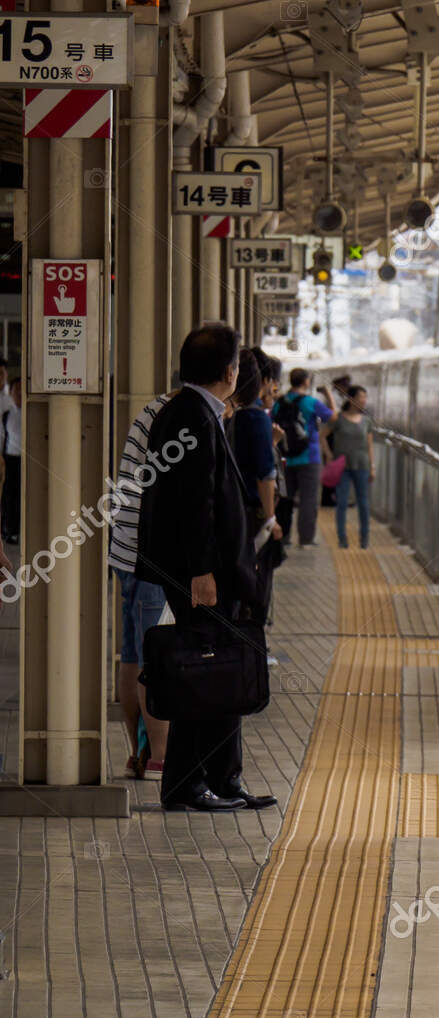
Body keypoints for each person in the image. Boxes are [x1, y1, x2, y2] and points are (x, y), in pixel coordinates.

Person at [137, 323, 276, 814]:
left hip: (215, 569)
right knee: (205, 671)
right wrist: (201, 571)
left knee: (223, 666)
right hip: (202, 572)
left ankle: (223, 776)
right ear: (229, 370)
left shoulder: (195, 410)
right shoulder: (190, 415)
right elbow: (193, 502)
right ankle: (187, 784)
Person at [108, 378, 181, 780]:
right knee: (153, 654)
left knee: (133, 652)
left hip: (127, 546)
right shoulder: (176, 418)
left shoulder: (153, 410)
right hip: (149, 553)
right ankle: (159, 756)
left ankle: (138, 752)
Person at [230, 347, 284, 617]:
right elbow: (265, 475)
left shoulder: (229, 415)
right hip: (251, 515)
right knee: (253, 586)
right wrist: (271, 519)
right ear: (264, 382)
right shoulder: (255, 418)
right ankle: (249, 651)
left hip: (231, 513)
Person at [273, 368, 330, 547]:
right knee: (308, 499)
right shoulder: (311, 402)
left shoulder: (279, 402)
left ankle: (284, 537)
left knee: (285, 499)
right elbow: (333, 417)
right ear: (306, 382)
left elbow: (272, 423)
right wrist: (328, 394)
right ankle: (306, 539)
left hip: (285, 458)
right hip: (309, 457)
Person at [330, 386, 375, 549]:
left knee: (363, 503)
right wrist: (329, 455)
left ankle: (364, 538)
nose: (364, 400)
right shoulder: (338, 419)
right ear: (351, 399)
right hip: (342, 466)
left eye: (365, 397)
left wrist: (372, 467)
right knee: (342, 502)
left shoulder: (366, 421)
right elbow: (322, 436)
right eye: (361, 397)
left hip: (362, 465)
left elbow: (370, 445)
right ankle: (342, 539)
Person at [1, 361, 20, 544]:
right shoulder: (7, 412)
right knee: (9, 497)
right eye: (16, 391)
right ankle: (9, 528)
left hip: (23, 460)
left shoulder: (28, 413)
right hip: (9, 458)